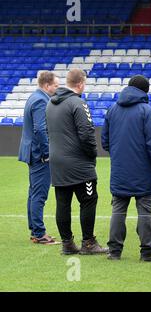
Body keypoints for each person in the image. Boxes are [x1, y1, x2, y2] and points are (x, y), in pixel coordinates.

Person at [102, 75, 151, 262]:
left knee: (118, 211)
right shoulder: (147, 112)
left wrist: (119, 153)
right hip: (143, 171)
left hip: (119, 170)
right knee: (145, 211)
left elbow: (105, 142)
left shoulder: (112, 110)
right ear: (145, 92)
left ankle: (114, 251)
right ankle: (147, 251)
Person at [46, 68, 107, 255]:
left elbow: (47, 131)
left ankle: (67, 244)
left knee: (62, 202)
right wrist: (91, 155)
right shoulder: (78, 103)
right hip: (79, 164)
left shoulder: (50, 103)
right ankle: (88, 243)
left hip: (57, 161)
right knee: (89, 200)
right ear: (80, 83)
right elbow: (87, 133)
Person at [18, 71, 59, 244]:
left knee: (34, 192)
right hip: (38, 155)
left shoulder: (34, 97)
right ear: (47, 85)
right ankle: (39, 233)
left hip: (32, 152)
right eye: (56, 85)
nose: (57, 88)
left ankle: (35, 230)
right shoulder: (41, 101)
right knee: (39, 194)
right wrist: (48, 153)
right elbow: (40, 129)